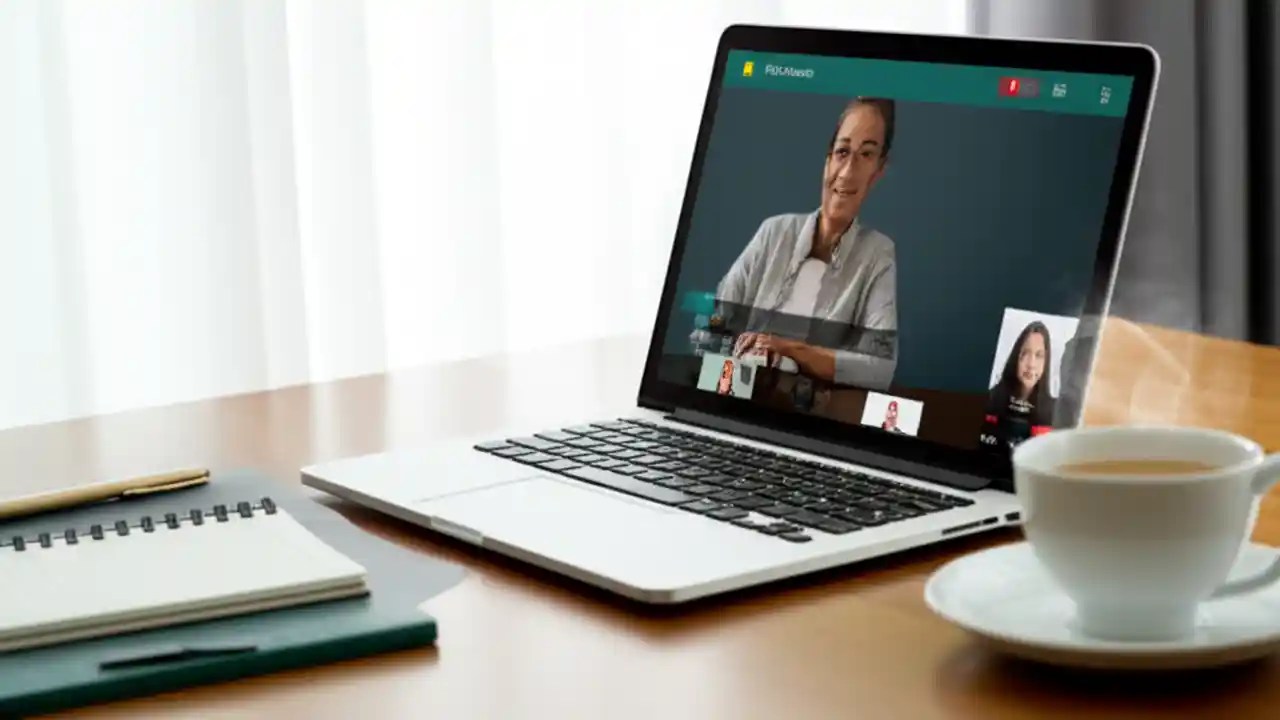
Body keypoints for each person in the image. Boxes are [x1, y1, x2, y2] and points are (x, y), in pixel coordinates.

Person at [713, 97, 899, 391]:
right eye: (842, 151)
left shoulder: (878, 254)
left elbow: (880, 368)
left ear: (878, 171)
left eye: (866, 154)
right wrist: (750, 352)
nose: (848, 171)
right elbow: (717, 319)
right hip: (736, 390)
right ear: (827, 160)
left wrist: (791, 349)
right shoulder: (773, 232)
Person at [983, 321, 1056, 448]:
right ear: (1016, 357)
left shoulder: (1055, 412)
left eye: (1039, 355)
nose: (1031, 364)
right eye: (1026, 353)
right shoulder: (992, 399)